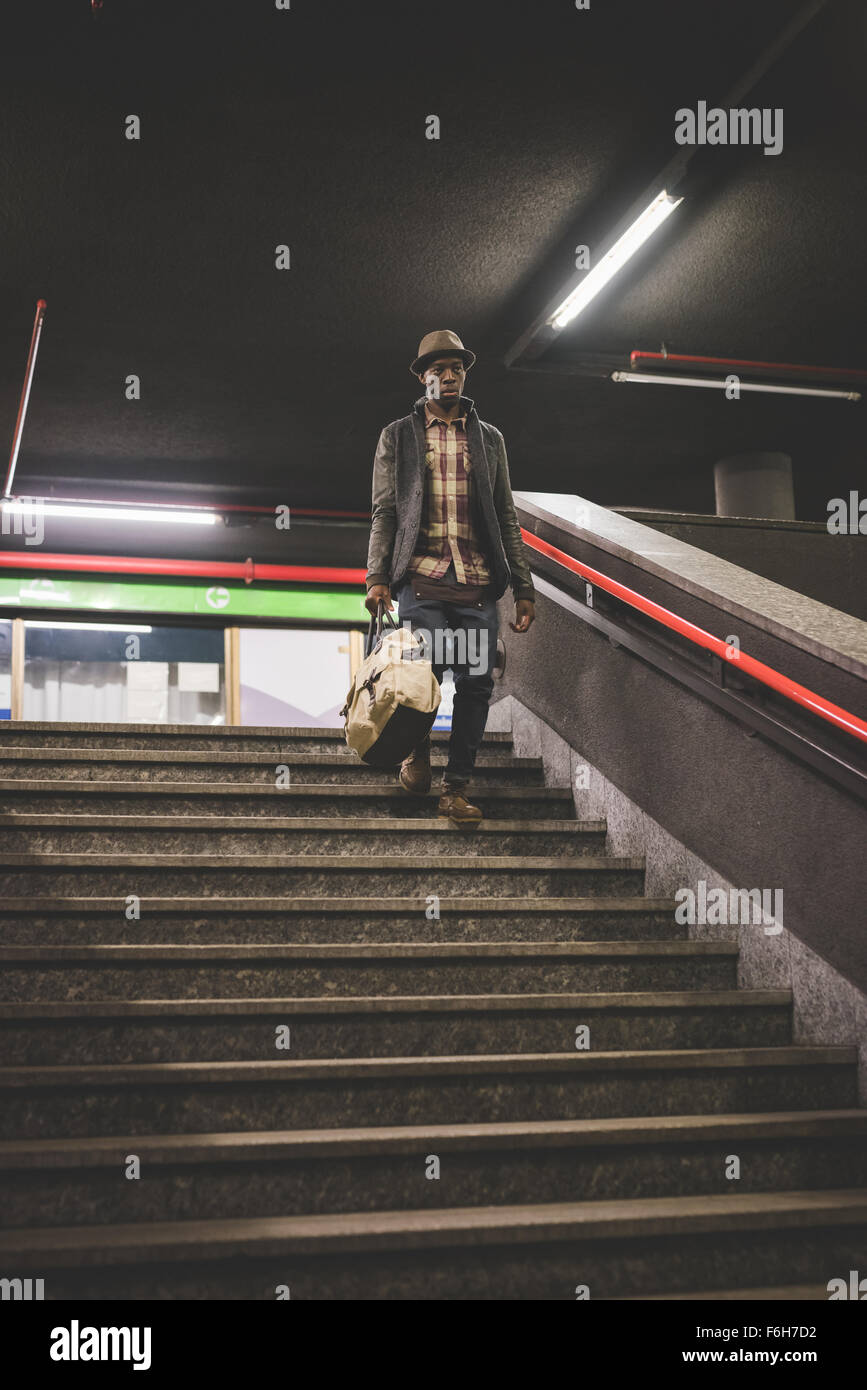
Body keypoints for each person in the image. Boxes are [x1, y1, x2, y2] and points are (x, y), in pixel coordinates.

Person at [365, 329, 535, 825]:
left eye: (456, 368)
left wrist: (523, 585)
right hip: (420, 579)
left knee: (478, 682)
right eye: (438, 370)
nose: (449, 376)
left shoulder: (489, 439)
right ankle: (416, 752)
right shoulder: (398, 436)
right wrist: (377, 575)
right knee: (425, 672)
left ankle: (455, 788)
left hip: (477, 582)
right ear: (423, 379)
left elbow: (506, 516)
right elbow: (385, 512)